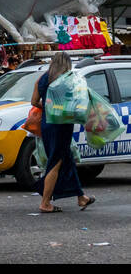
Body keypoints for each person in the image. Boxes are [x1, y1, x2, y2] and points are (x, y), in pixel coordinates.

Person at [32, 52, 94, 214]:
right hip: (61, 125)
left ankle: (81, 197)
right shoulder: (66, 80)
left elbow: (33, 101)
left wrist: (47, 108)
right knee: (56, 162)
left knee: (66, 159)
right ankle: (45, 203)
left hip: (47, 124)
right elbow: (75, 102)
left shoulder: (42, 79)